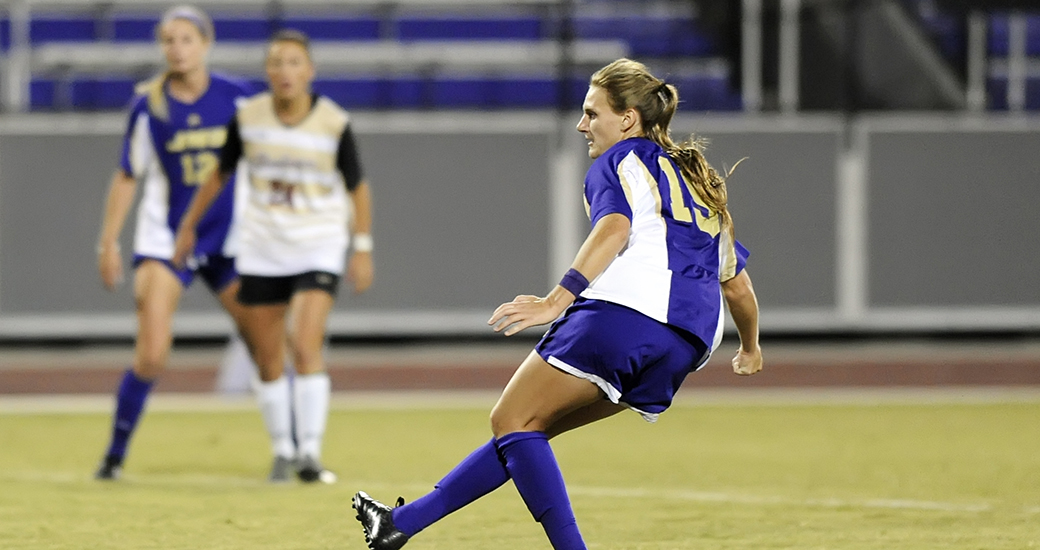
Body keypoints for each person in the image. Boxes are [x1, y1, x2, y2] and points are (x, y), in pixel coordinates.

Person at [351, 58, 763, 550]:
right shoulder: (698, 180)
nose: (581, 124)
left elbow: (615, 227)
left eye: (592, 113)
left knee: (511, 420)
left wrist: (556, 299)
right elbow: (735, 284)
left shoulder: (618, 161)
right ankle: (401, 524)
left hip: (628, 314)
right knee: (525, 430)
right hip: (688, 343)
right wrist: (751, 347)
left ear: (628, 119)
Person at [173, 29, 375, 484]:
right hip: (262, 249)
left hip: (318, 245)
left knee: (304, 344)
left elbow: (357, 187)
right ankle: (282, 450)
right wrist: (188, 226)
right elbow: (217, 175)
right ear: (267, 72)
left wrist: (361, 246)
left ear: (310, 71)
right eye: (276, 63)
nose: (285, 71)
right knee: (266, 358)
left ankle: (311, 453)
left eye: (293, 63)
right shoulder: (248, 118)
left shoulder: (333, 121)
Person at [94, 5, 257, 481]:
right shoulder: (151, 103)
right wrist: (107, 242)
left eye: (187, 39)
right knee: (152, 353)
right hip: (166, 239)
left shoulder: (240, 96)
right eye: (169, 40)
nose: (177, 48)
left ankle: (295, 453)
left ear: (205, 44)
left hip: (228, 239)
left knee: (270, 348)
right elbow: (129, 174)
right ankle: (114, 455)